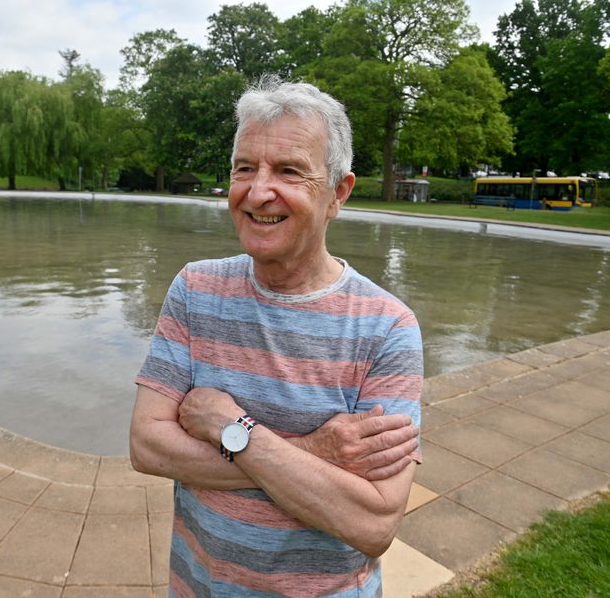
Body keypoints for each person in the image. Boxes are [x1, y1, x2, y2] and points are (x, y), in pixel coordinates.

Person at [129, 77, 423, 597]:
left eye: (289, 171)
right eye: (245, 168)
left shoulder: (387, 327)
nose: (258, 191)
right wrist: (315, 452)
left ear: (338, 193)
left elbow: (373, 523)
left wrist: (229, 427)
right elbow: (148, 447)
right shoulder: (195, 290)